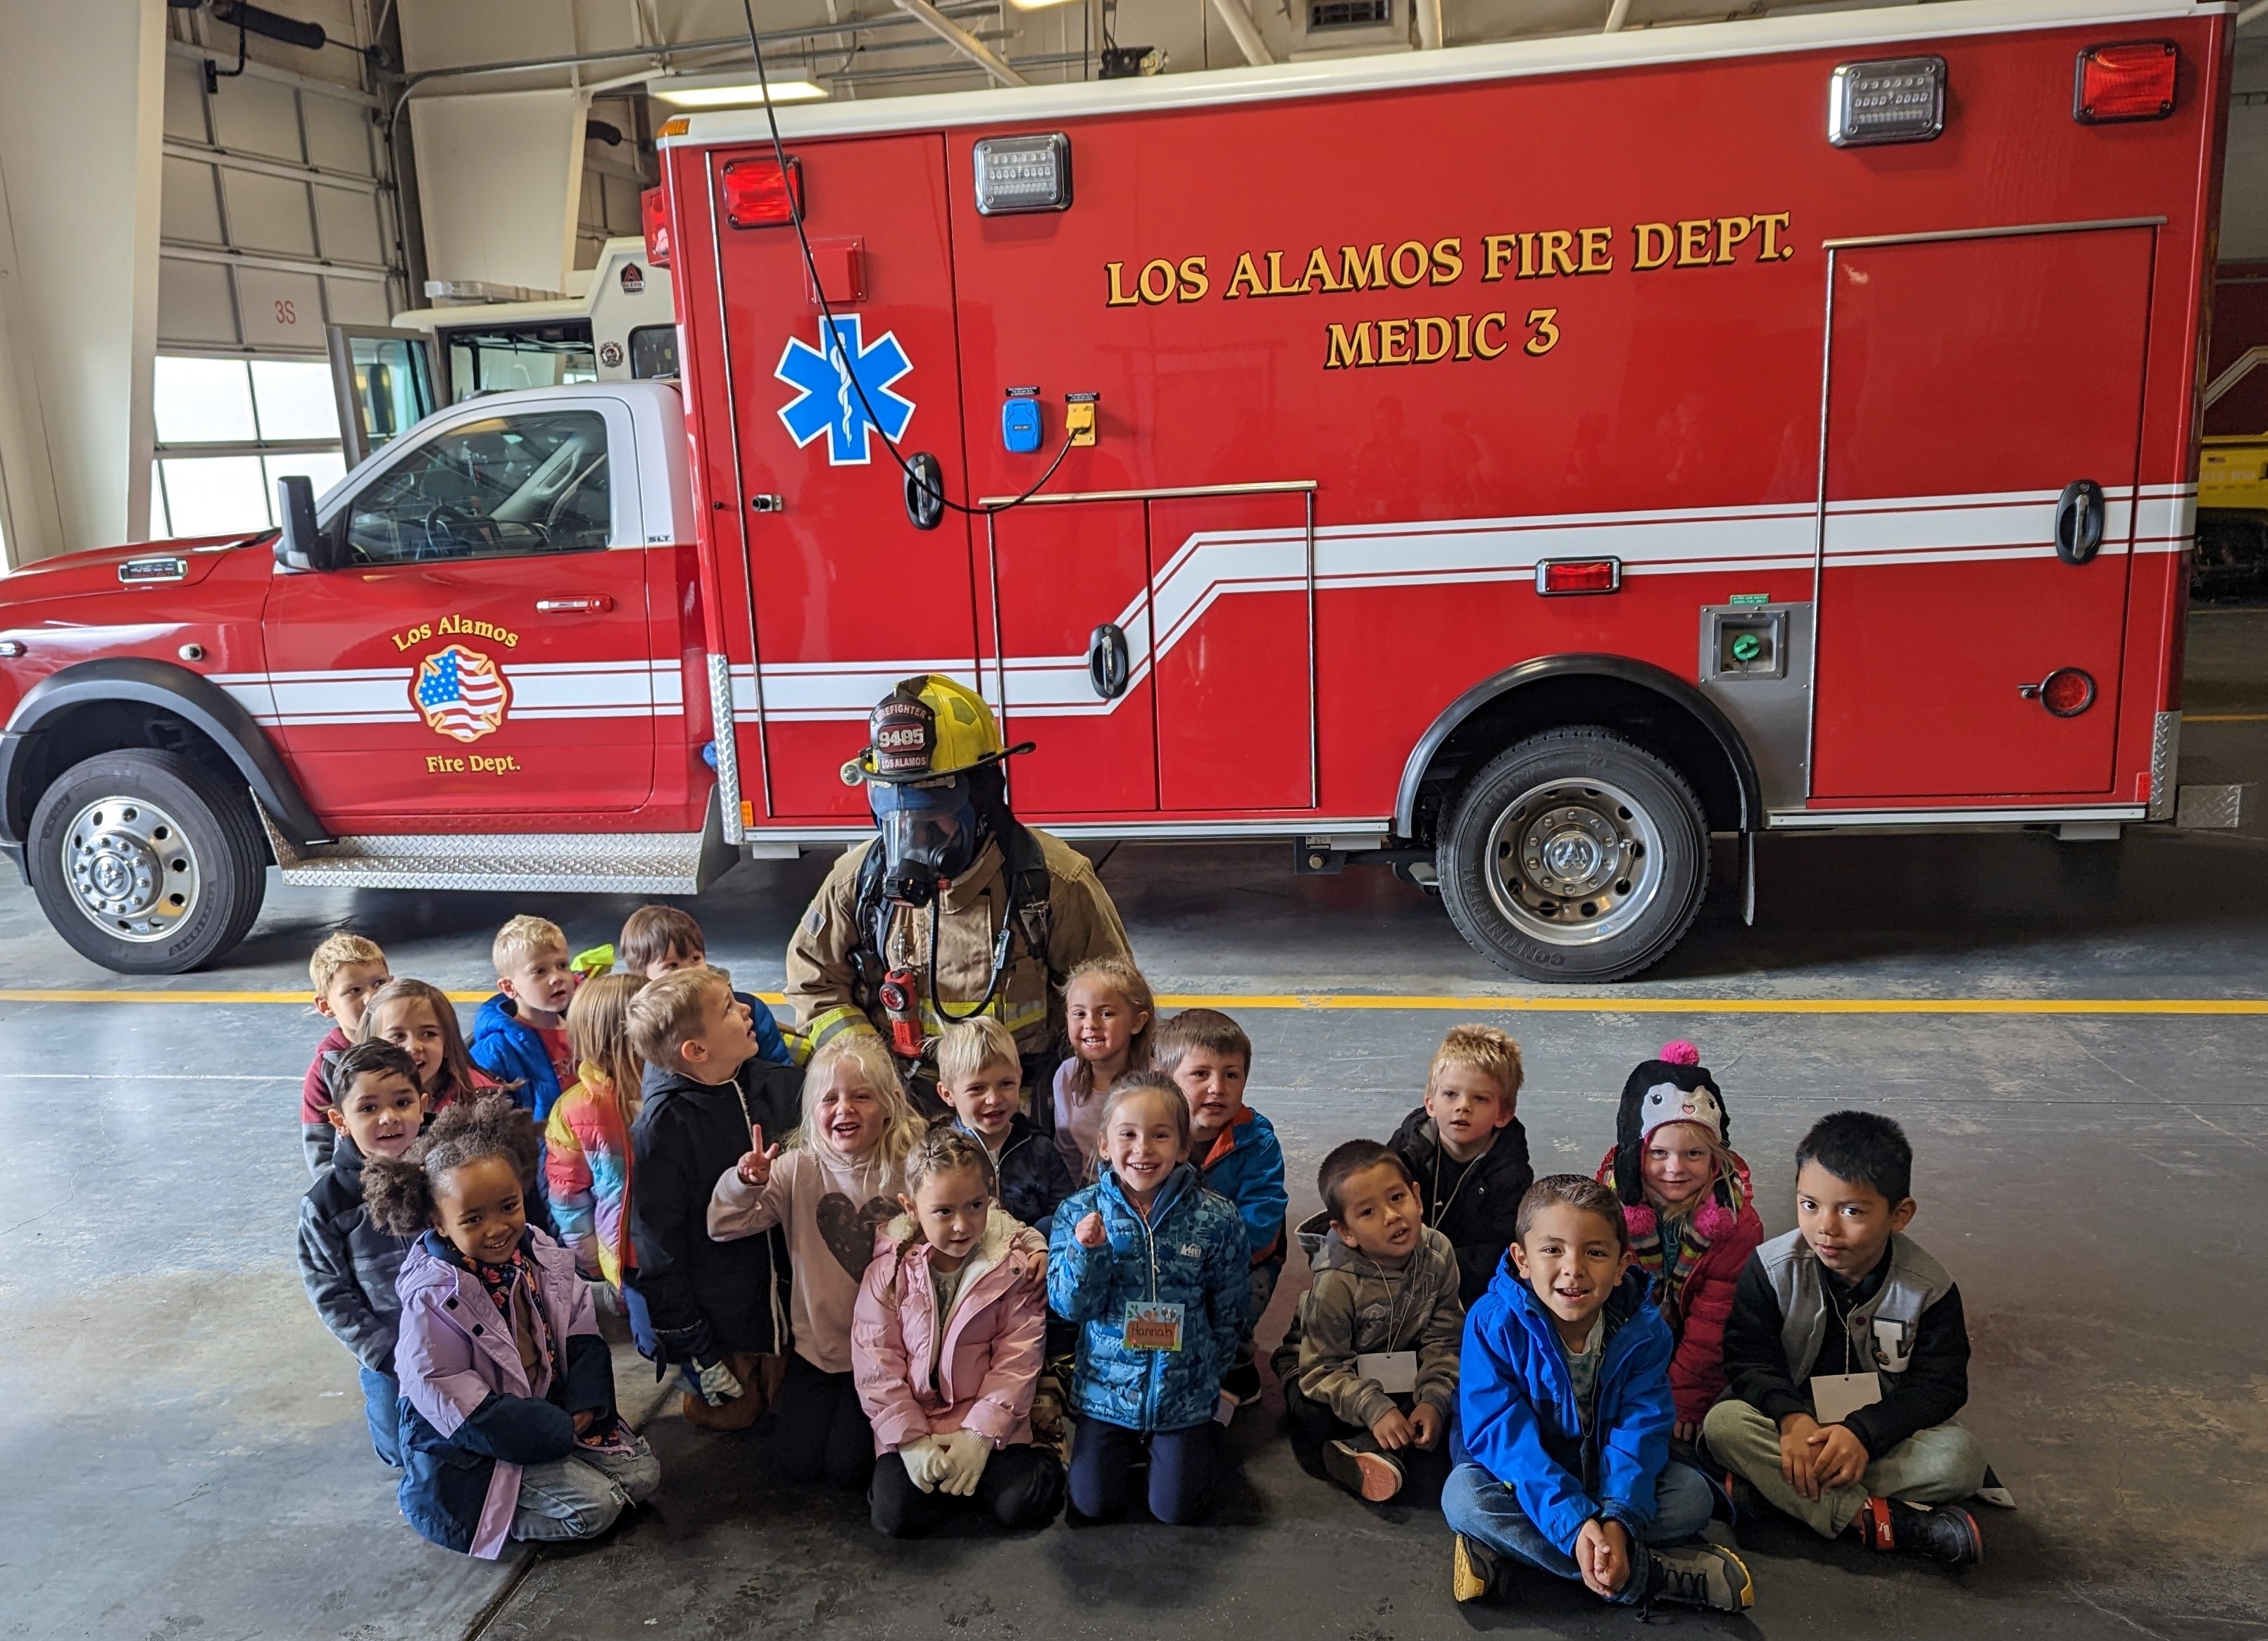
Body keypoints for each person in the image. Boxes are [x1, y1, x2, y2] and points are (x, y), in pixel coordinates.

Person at [782, 674, 1132, 1109]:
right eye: (898, 817)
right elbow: (812, 980)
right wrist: (869, 1067)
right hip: (900, 1100)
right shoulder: (858, 882)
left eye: (933, 816)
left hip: (1018, 1105)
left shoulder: (1054, 884)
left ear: (982, 802)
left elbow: (1115, 1005)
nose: (913, 838)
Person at [365, 1095, 659, 1558]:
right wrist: (540, 1430)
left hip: (543, 1413)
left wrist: (583, 1405)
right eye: (473, 1218)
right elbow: (441, 1384)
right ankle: (491, 1517)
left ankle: (563, 1465)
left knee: (642, 1476)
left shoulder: (538, 1248)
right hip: (476, 1451)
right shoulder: (432, 1293)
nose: (498, 1227)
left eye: (508, 1206)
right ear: (439, 1223)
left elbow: (579, 1325)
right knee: (596, 1508)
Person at [1445, 1176, 1753, 1613]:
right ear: (1522, 1259)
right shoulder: (1492, 1323)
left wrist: (1618, 1518)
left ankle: (1510, 1555)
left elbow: (1641, 1428)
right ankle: (1649, 1574)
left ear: (1623, 1263)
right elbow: (1501, 1435)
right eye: (1552, 1250)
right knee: (1465, 1499)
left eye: (1595, 1252)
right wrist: (1573, 1521)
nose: (1574, 1268)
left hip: (1605, 1476)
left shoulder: (1645, 1331)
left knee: (1692, 1499)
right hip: (1526, 1477)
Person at [1702, 1111, 1990, 1565]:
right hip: (1794, 1426)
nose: (1825, 1228)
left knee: (1962, 1461)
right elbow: (1748, 1361)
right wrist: (1792, 1420)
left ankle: (1781, 1493)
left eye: (1852, 1211)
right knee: (1723, 1425)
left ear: (1901, 1215)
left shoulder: (1929, 1288)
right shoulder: (1772, 1269)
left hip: (1879, 1431)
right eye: (1809, 1204)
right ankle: (1878, 1519)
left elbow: (1942, 1385)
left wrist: (1864, 1435)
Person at [708, 1036, 960, 1490]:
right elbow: (724, 1225)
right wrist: (744, 1182)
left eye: (861, 1095)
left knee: (847, 1470)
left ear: (889, 1105)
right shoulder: (796, 1169)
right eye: (830, 1098)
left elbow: (963, 1218)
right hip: (822, 1353)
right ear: (811, 1112)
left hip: (892, 1357)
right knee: (796, 1465)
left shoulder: (912, 1164)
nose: (845, 1108)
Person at [1047, 1072, 1247, 1525]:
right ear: (1104, 1145)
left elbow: (1231, 1305)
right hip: (1107, 1393)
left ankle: (1205, 1426)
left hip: (1183, 1392)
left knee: (1176, 1509)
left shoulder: (1215, 1218)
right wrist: (1086, 1253)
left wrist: (1206, 1371)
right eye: (1128, 1135)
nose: (1143, 1149)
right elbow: (1067, 1306)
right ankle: (1134, 1449)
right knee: (1091, 1504)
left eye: (1160, 1136)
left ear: (1182, 1148)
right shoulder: (1079, 1213)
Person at [851, 1126, 1066, 1538]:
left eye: (975, 1206)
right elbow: (875, 1363)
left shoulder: (1011, 1268)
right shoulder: (887, 1274)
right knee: (894, 1517)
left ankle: (1044, 1450)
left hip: (988, 1422)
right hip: (918, 1424)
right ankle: (954, 1482)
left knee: (1020, 1505)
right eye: (944, 1211)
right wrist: (912, 1442)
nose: (962, 1225)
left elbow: (1018, 1358)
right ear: (911, 1208)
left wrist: (980, 1435)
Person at [625, 967, 803, 1433]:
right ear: (696, 1050)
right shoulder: (662, 1126)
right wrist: (692, 1347)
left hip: (792, 1308)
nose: (747, 1008)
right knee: (731, 1420)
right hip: (725, 1323)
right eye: (728, 1007)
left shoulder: (777, 1084)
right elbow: (657, 1246)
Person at [1273, 1140, 1462, 1507]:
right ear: (1345, 1231)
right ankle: (1355, 1451)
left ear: (1417, 1196)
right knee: (1314, 1414)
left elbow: (1446, 1340)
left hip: (1399, 1367)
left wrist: (1434, 1399)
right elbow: (1321, 1369)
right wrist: (1374, 1407)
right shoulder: (1336, 1282)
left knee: (1453, 1408)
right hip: (1320, 1368)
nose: (1391, 1216)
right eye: (1369, 1212)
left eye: (1397, 1198)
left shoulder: (1439, 1253)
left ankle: (1371, 1452)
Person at [1592, 1040, 1762, 1445]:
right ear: (1635, 1156)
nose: (1674, 1168)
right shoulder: (1604, 1213)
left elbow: (1714, 1322)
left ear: (1716, 1157)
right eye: (1659, 1153)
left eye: (1693, 1154)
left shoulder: (1735, 1224)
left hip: (1700, 1351)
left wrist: (1685, 1395)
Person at [296, 1040, 425, 1466]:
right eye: (368, 1108)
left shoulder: (447, 1174)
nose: (389, 1118)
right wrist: (385, 1354)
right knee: (402, 1454)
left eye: (402, 1102)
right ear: (340, 1121)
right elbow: (329, 1291)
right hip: (388, 1349)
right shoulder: (328, 1203)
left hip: (462, 1335)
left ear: (422, 1106)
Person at [1155, 1007, 1286, 1406]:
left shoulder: (1258, 1141)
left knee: (1234, 1303)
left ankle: (1235, 1357)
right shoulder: (1149, 1133)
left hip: (1239, 1262)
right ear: (1166, 1078)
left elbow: (1262, 1223)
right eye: (1201, 1074)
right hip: (1163, 1262)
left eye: (1232, 1075)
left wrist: (1200, 1264)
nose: (1218, 1087)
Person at [1389, 1024, 1534, 1306]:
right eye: (1450, 1094)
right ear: (1430, 1104)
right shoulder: (1409, 1146)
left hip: (1466, 1283)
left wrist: (1434, 1276)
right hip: (1401, 1262)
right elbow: (1378, 1201)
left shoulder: (1510, 1172)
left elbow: (1496, 1250)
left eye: (1480, 1098)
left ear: (1503, 1114)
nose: (1463, 1106)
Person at [544, 974, 649, 1345]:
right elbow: (568, 1197)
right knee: (652, 1333)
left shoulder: (677, 1085)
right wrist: (595, 1260)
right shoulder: (574, 1110)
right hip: (627, 1256)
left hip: (682, 1243)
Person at [937, 1015, 1076, 1236]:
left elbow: (1069, 1216)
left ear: (1019, 1079)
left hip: (1034, 1260)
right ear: (948, 1094)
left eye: (1006, 1084)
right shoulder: (939, 1158)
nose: (994, 1099)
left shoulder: (1040, 1149)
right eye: (977, 1089)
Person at [617, 903, 794, 1066]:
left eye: (695, 959)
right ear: (641, 977)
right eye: (672, 965)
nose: (690, 973)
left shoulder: (750, 1010)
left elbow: (781, 1072)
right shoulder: (643, 1032)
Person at [1046, 956, 1155, 1183]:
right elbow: (1068, 1152)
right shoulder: (1066, 1076)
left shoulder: (1157, 1083)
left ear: (1137, 1023)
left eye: (1106, 1013)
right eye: (1079, 1014)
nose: (1091, 1024)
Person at [470, 914, 582, 1122]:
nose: (557, 977)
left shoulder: (583, 1028)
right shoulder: (495, 1053)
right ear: (509, 988)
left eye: (563, 965)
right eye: (540, 971)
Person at [299, 931, 390, 1174]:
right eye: (354, 990)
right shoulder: (326, 1070)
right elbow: (320, 1146)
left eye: (379, 984)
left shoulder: (409, 1045)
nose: (370, 997)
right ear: (325, 1006)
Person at [361, 978, 499, 1114]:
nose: (413, 1047)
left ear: (448, 1043)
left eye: (428, 1034)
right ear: (372, 1047)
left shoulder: (480, 1106)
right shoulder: (357, 1100)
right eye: (398, 1036)